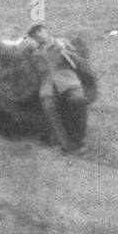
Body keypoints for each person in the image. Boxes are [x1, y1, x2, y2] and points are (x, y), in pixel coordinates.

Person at [22, 23, 89, 154]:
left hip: (68, 81)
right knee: (48, 107)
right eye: (35, 34)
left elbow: (78, 61)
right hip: (48, 87)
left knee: (78, 99)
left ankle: (79, 141)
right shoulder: (35, 54)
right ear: (34, 38)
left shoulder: (62, 42)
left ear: (46, 31)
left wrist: (66, 50)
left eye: (41, 31)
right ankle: (65, 145)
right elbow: (35, 74)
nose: (39, 35)